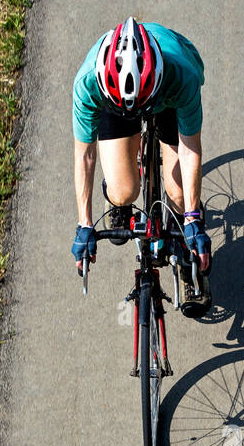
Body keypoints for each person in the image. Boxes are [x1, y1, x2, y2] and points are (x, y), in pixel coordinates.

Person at [71, 17, 211, 314]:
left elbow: (189, 150)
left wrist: (193, 217)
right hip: (115, 103)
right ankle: (120, 194)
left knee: (178, 196)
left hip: (166, 99)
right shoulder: (88, 84)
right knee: (123, 192)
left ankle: (189, 266)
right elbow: (85, 155)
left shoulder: (181, 75)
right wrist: (84, 224)